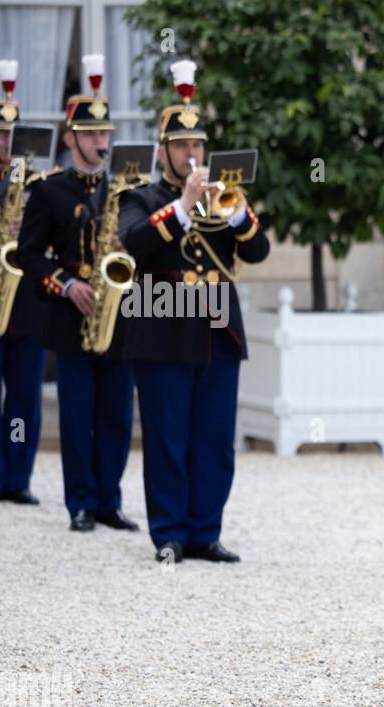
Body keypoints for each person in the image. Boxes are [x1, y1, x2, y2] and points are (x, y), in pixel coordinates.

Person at [117, 59, 270, 564]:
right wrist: (182, 207)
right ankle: (170, 534)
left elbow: (258, 252)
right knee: (167, 438)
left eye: (198, 145)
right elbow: (137, 244)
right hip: (162, 329)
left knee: (214, 441)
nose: (192, 154)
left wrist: (240, 215)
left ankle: (206, 531)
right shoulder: (139, 196)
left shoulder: (222, 197)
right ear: (164, 151)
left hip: (218, 331)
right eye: (182, 146)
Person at [17, 54, 138, 533]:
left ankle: (109, 501)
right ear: (69, 139)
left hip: (118, 317)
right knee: (76, 416)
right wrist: (65, 285)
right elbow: (28, 256)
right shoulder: (49, 191)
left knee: (116, 416)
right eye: (90, 135)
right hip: (71, 317)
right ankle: (81, 504)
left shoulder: (125, 190)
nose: (100, 142)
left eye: (105, 134)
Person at [0, 59, 49, 508]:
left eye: (11, 134)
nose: (6, 141)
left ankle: (18, 478)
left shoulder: (37, 185)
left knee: (23, 397)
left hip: (27, 304)